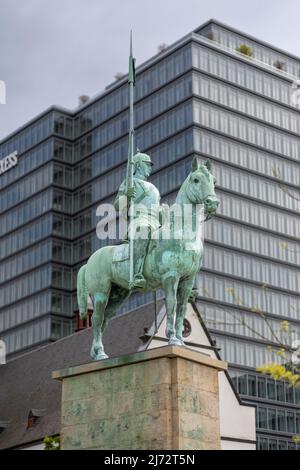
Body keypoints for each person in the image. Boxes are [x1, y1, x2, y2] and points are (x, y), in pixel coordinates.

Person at [114, 152, 160, 289]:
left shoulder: (154, 189)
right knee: (143, 231)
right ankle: (136, 273)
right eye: (147, 165)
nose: (150, 168)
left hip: (155, 221)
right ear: (138, 165)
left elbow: (157, 209)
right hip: (139, 219)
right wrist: (126, 197)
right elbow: (117, 206)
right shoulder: (129, 183)